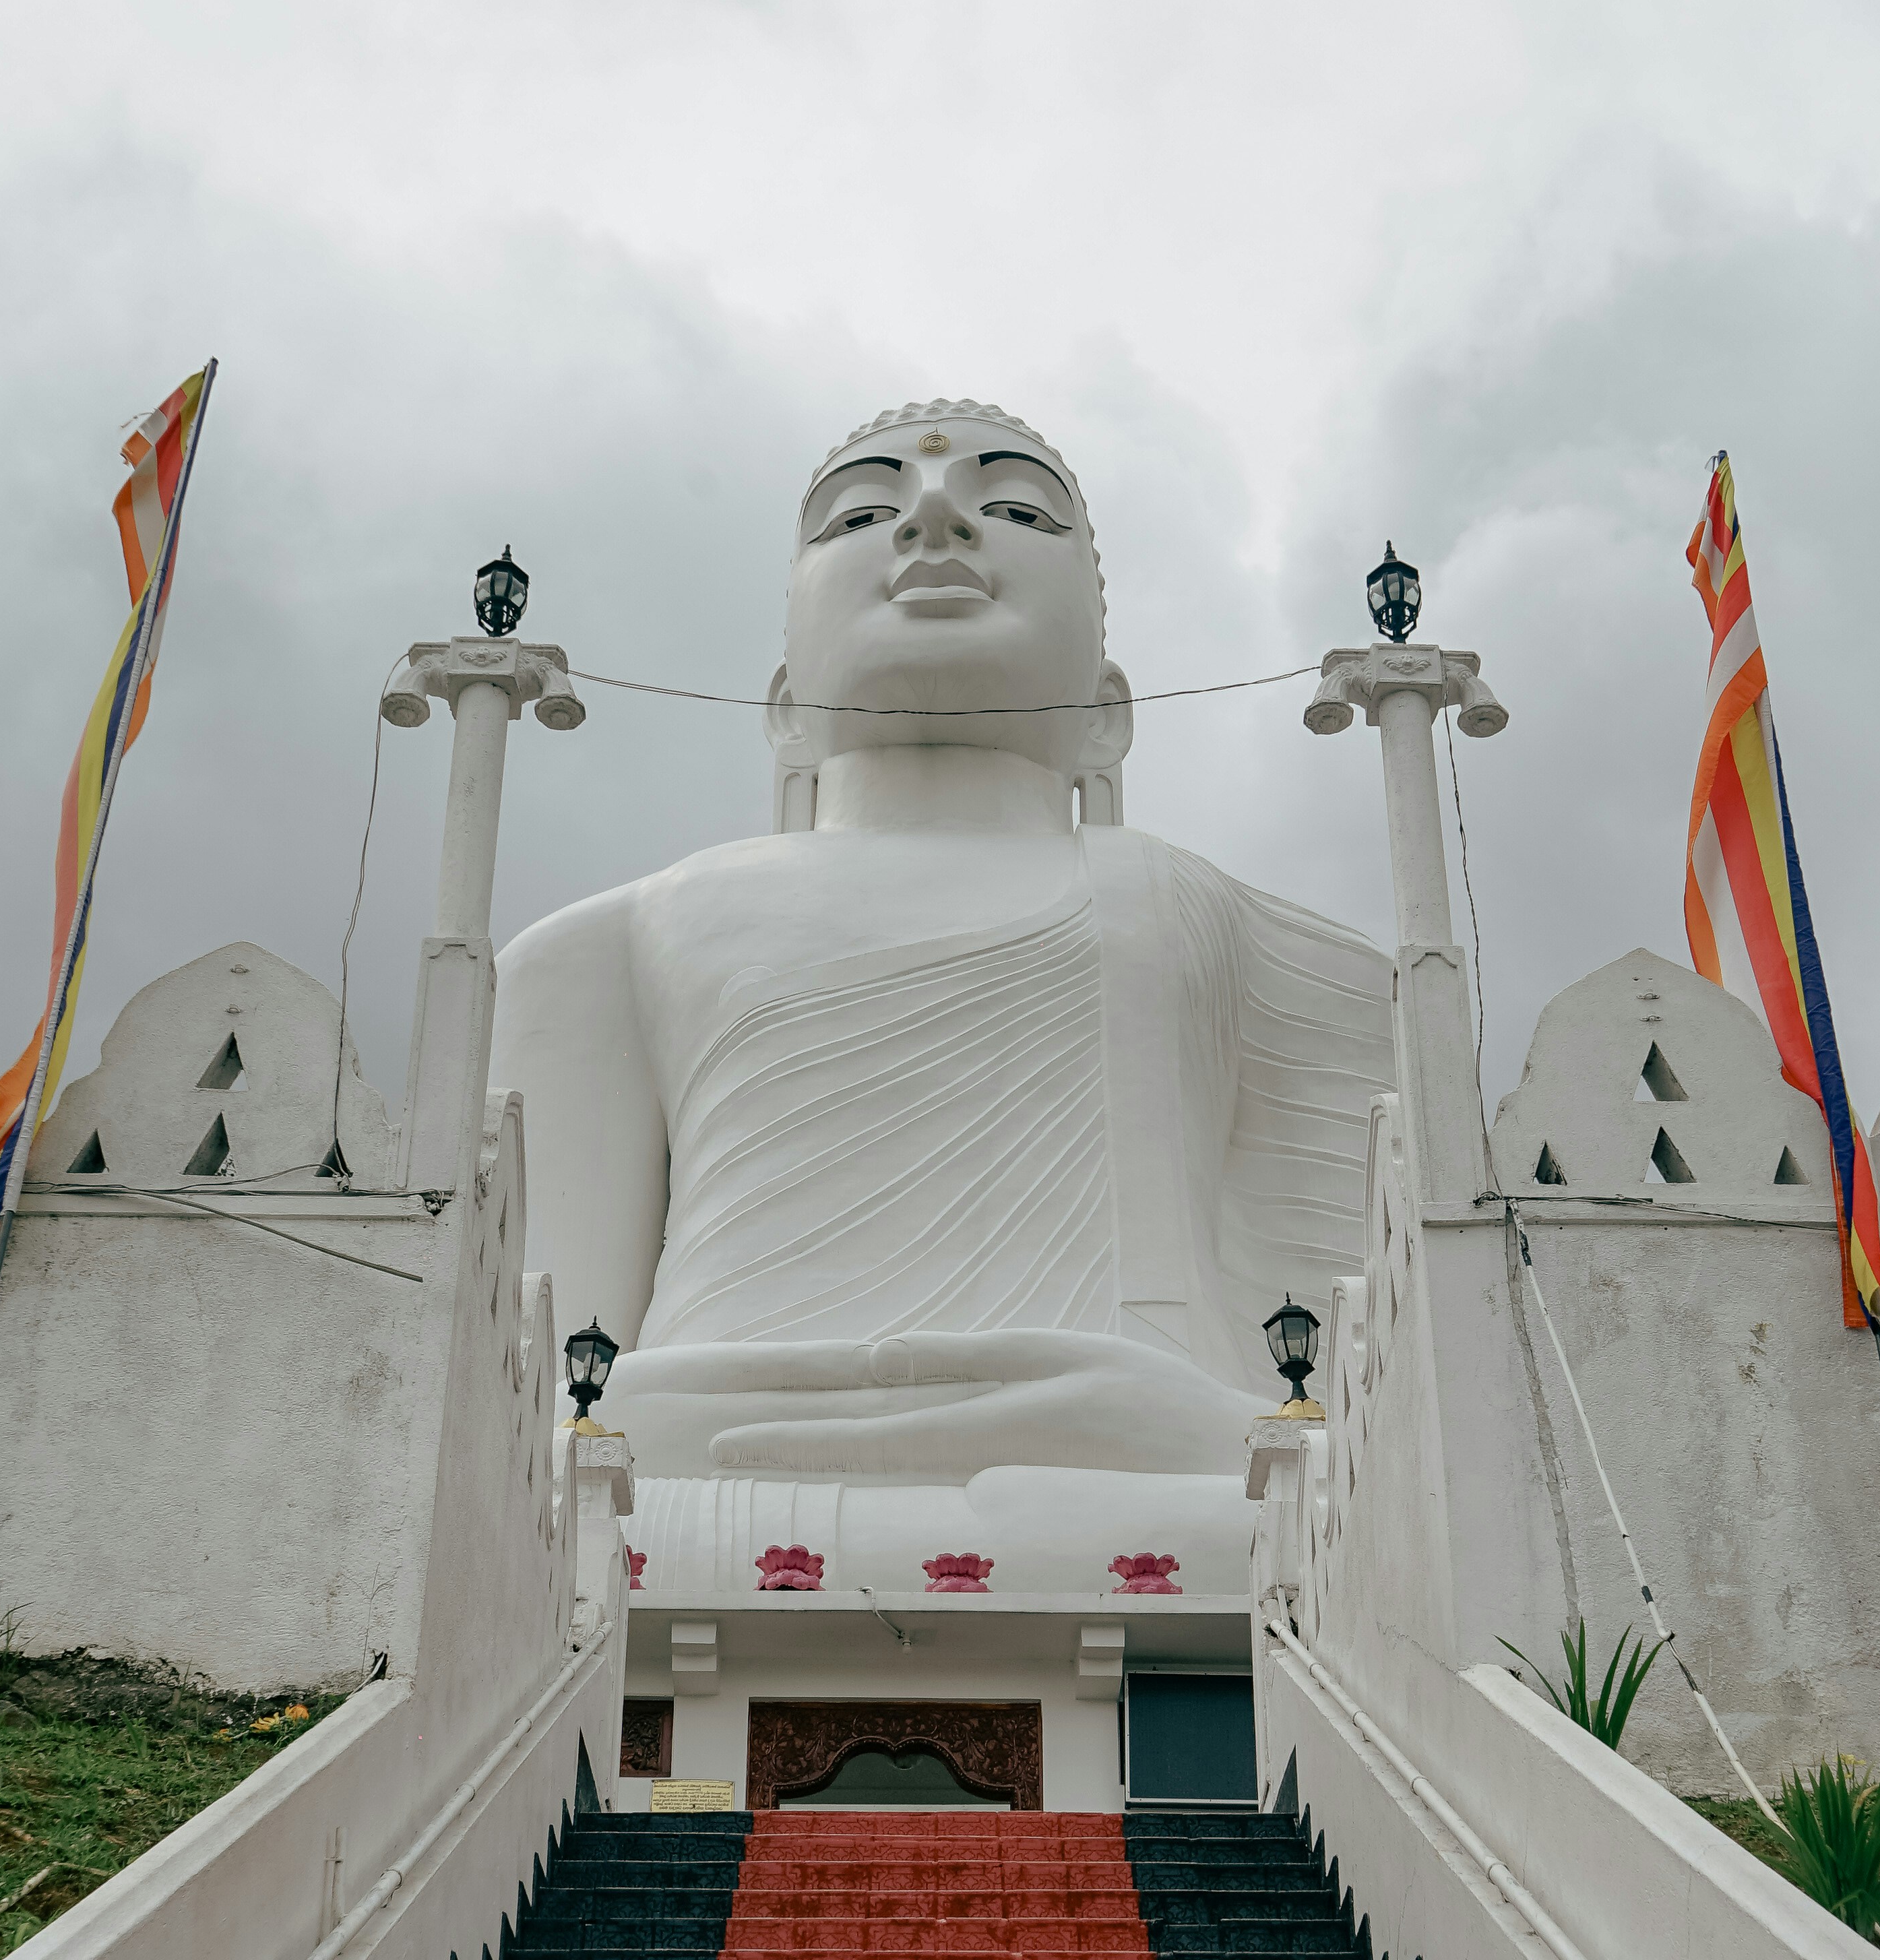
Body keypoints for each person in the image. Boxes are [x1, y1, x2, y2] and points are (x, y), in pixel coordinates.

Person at [491, 400, 1392, 1595]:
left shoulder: (1228, 930)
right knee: (595, 1504)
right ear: (781, 711)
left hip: (1161, 1484)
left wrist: (1213, 1433)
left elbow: (1363, 1414)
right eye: (863, 513)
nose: (934, 516)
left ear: (1111, 716)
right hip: (705, 1476)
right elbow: (546, 1415)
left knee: (1287, 1531)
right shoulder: (611, 945)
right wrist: (659, 1415)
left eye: (1014, 509)